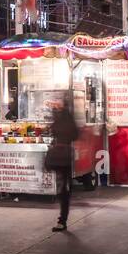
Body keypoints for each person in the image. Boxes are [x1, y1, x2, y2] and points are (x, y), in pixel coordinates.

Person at [48, 97, 79, 232]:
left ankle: (62, 220)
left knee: (63, 189)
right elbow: (75, 135)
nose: (56, 104)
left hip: (63, 156)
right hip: (62, 155)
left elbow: (72, 134)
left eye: (58, 103)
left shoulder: (64, 118)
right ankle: (62, 219)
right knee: (63, 188)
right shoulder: (62, 117)